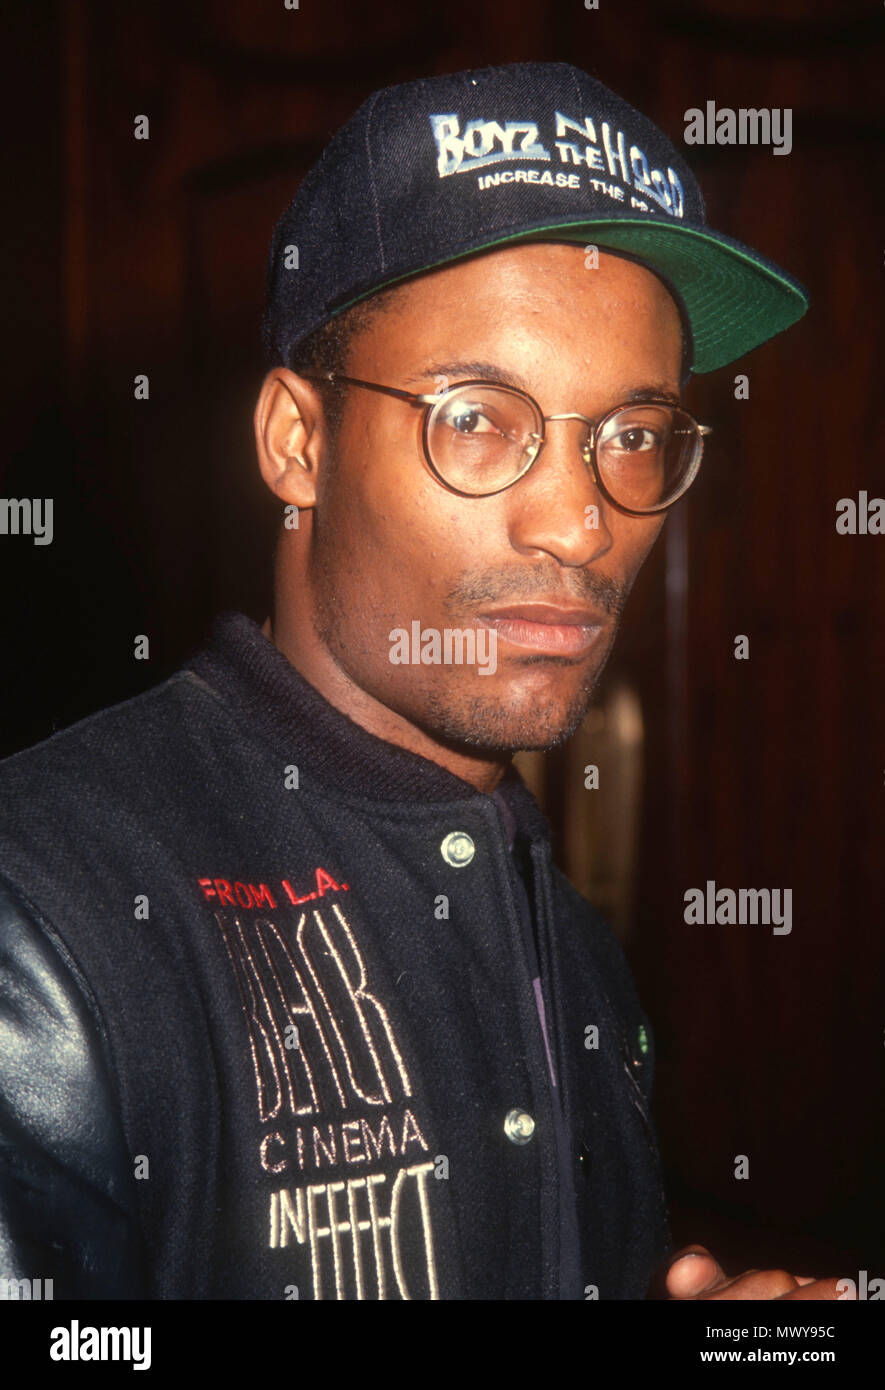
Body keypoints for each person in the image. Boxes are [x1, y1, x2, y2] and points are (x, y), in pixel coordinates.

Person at [0, 61, 838, 1301]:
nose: (580, 521)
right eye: (479, 418)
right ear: (300, 442)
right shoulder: (47, 910)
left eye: (635, 434)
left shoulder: (562, 928)